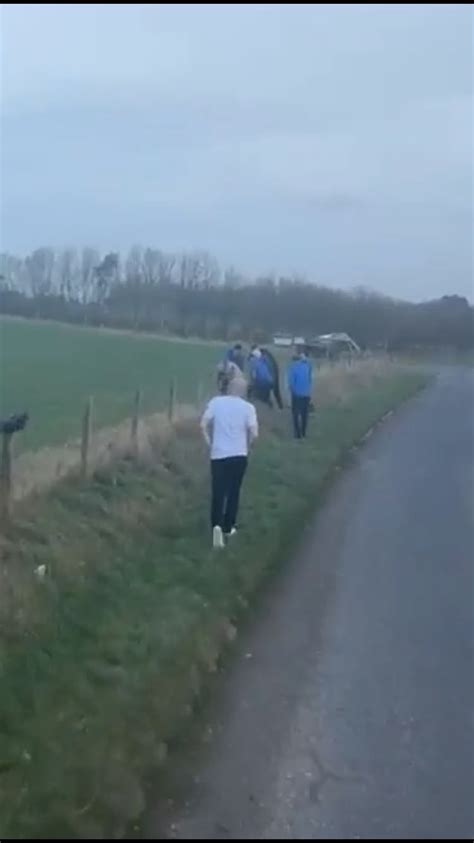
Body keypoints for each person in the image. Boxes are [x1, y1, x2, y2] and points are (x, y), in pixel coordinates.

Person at [201, 377, 258, 548]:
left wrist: (209, 442)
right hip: (239, 455)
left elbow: (202, 425)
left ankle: (215, 526)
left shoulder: (216, 402)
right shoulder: (248, 408)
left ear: (229, 388)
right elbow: (254, 433)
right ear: (243, 391)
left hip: (218, 454)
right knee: (234, 491)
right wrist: (248, 446)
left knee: (218, 491)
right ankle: (228, 526)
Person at [288, 350, 313, 439]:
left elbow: (291, 383)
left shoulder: (293, 367)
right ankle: (303, 433)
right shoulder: (307, 366)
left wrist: (292, 392)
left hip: (297, 394)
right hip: (306, 394)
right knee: (304, 414)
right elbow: (310, 380)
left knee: (295, 414)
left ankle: (297, 434)